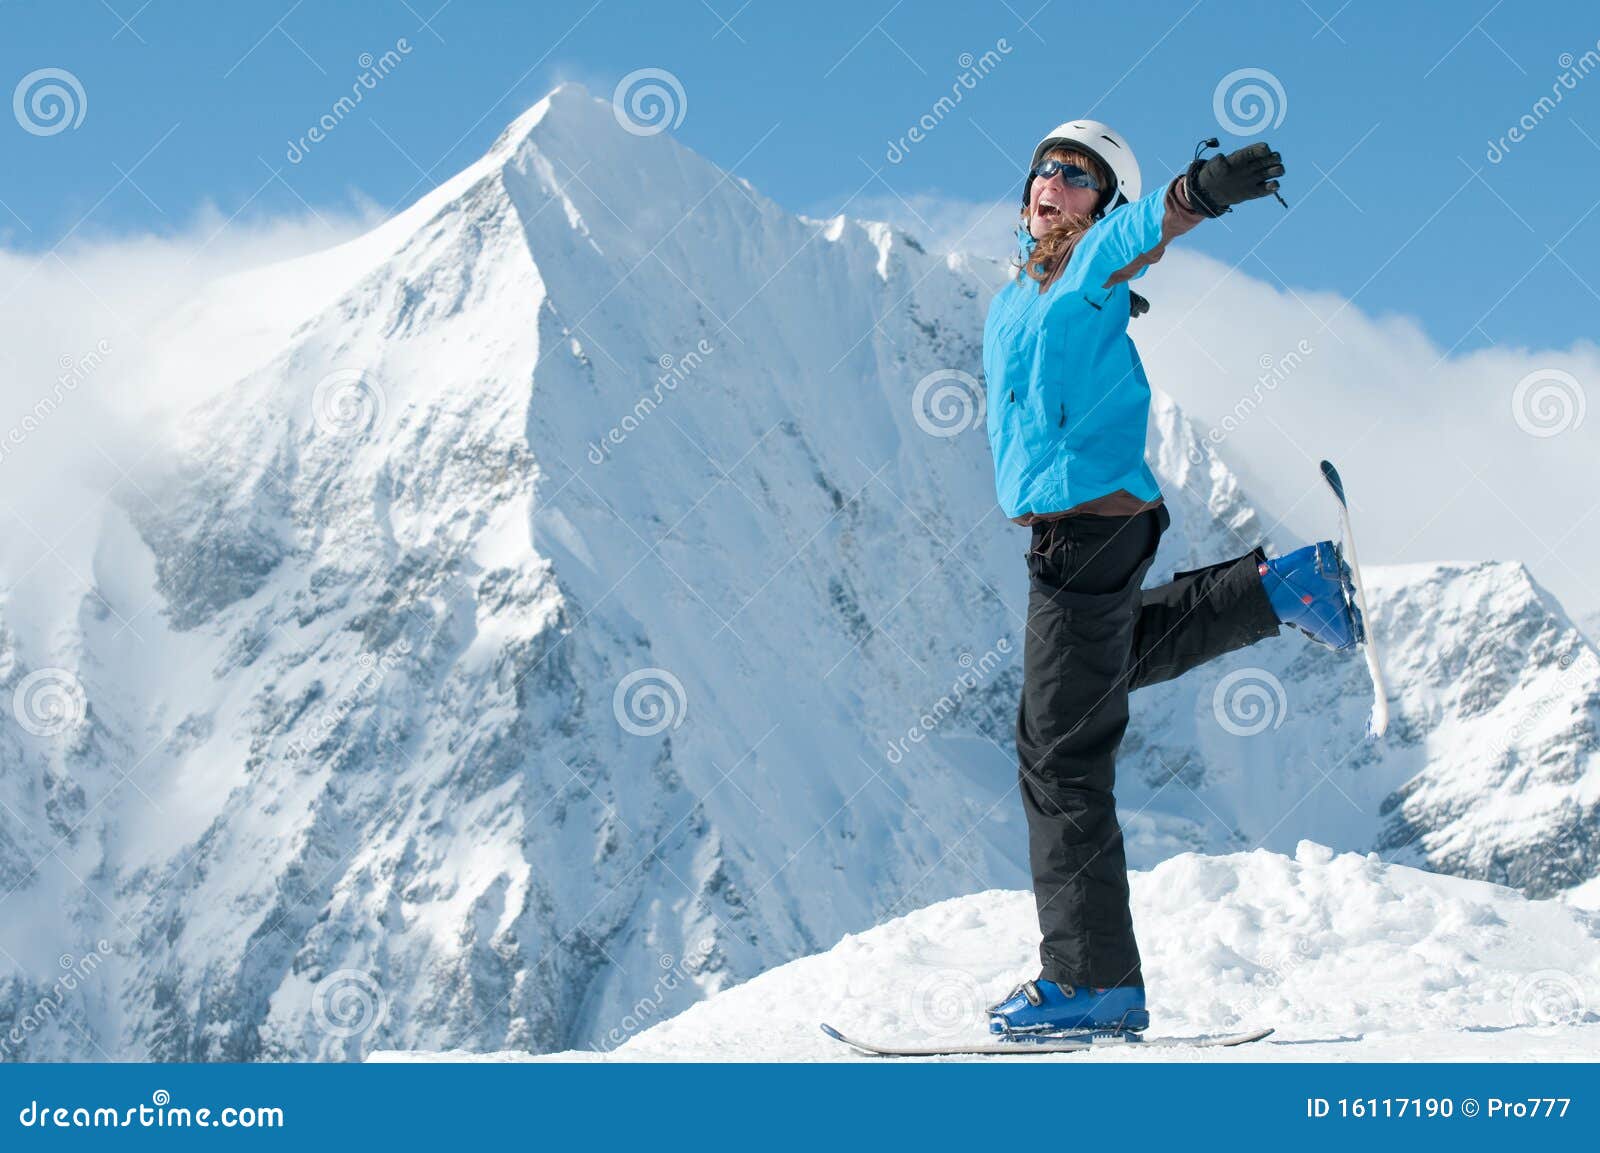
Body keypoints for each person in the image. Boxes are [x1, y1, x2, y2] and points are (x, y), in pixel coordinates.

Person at [981, 120, 1363, 1038]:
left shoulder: (1090, 263)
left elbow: (1142, 228)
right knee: (1092, 679)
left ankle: (1092, 980)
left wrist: (1202, 191)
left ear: (1100, 203)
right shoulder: (1020, 293)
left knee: (1058, 751)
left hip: (1087, 528)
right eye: (1044, 169)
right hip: (1086, 529)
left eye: (1078, 175)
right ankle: (1279, 588)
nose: (1053, 181)